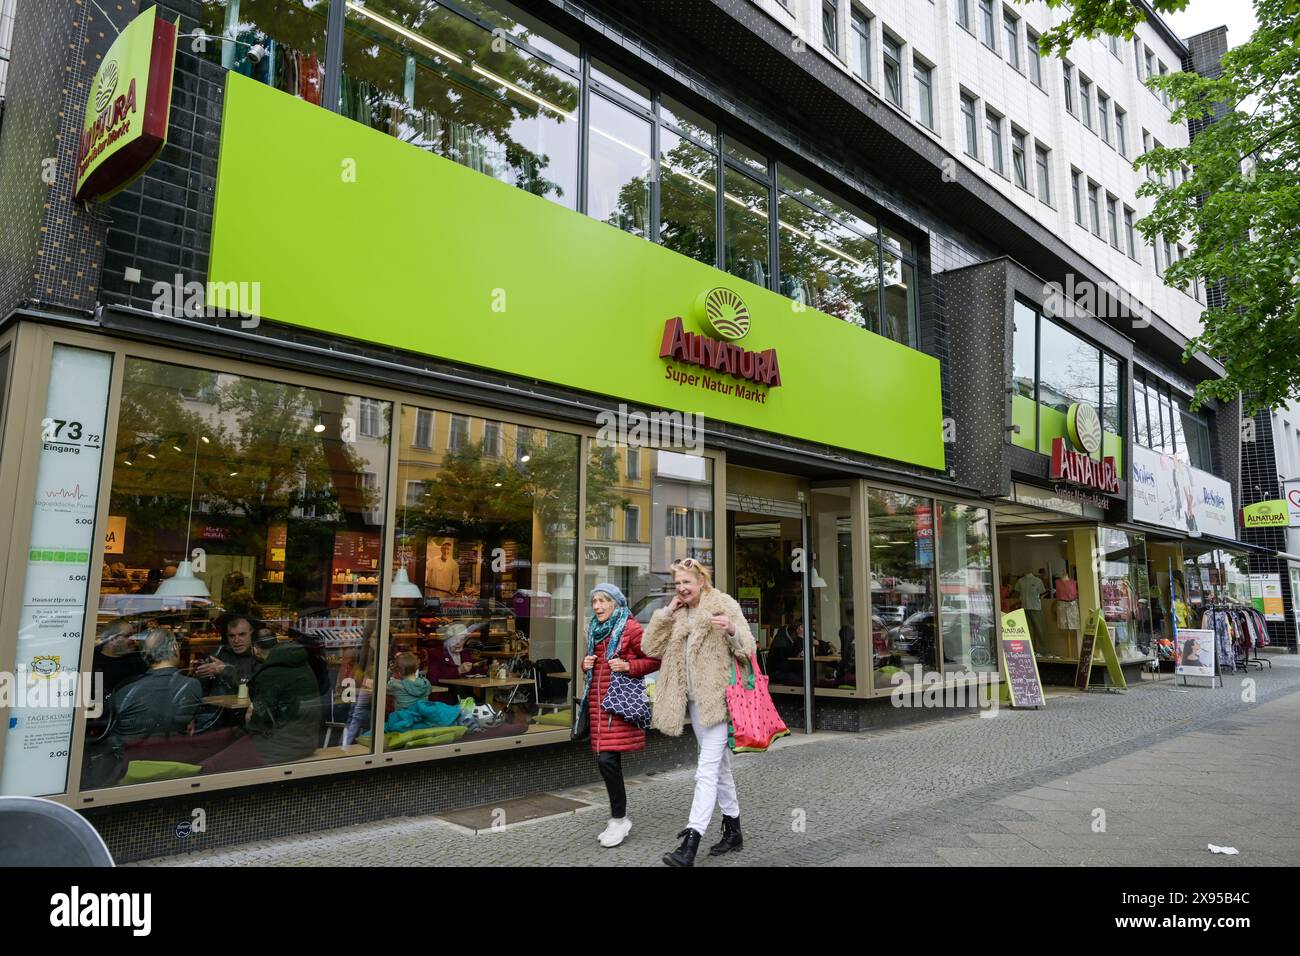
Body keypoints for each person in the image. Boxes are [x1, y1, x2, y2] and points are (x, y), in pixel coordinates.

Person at [641, 557, 756, 867]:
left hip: (717, 702)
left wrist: (732, 629)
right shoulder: (677, 613)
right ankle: (733, 830)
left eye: (687, 582)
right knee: (719, 769)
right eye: (677, 583)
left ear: (701, 581)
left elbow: (748, 647)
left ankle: (691, 842)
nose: (682, 588)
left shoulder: (723, 603)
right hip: (692, 703)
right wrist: (665, 613)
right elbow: (649, 647)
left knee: (705, 770)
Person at [578, 583, 660, 849]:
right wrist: (584, 664)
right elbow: (593, 667)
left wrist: (628, 665)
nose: (598, 606)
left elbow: (655, 659)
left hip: (618, 706)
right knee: (607, 763)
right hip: (597, 705)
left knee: (607, 761)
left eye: (603, 601)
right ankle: (618, 818)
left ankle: (619, 819)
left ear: (616, 603)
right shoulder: (594, 629)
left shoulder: (631, 628)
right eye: (595, 602)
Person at [110, 629, 204, 745]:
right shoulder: (192, 685)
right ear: (174, 648)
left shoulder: (125, 689)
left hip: (130, 759)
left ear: (144, 655)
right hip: (174, 758)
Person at [194, 615, 258, 697]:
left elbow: (254, 687)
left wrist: (225, 670)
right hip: (217, 707)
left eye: (242, 635)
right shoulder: (219, 654)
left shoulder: (259, 657)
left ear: (251, 634)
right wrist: (201, 674)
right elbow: (201, 689)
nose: (236, 640)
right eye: (232, 636)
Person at [1014, 569, 1046, 645]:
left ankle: (1041, 650)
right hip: (1024, 607)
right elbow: (1017, 592)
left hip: (1035, 607)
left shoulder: (1037, 581)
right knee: (1028, 629)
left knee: (1039, 629)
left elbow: (1042, 592)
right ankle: (1030, 649)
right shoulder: (1020, 581)